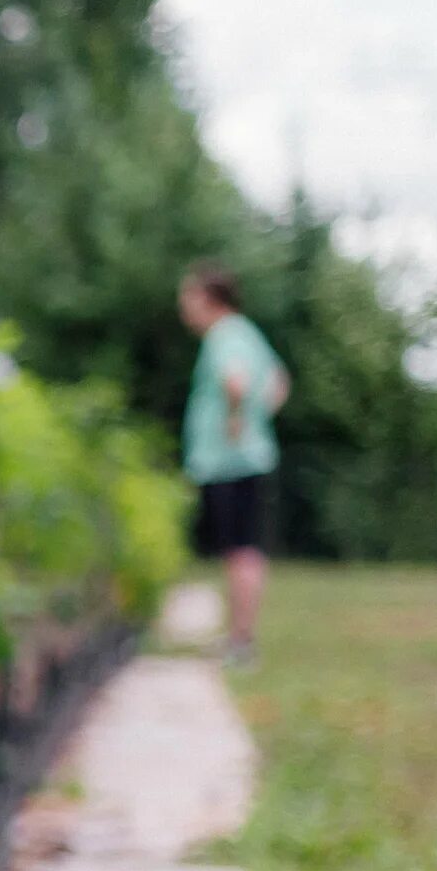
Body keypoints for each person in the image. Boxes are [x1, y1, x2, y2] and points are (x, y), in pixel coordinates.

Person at [178, 263, 290, 665]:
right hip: (250, 455)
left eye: (187, 297)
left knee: (238, 550)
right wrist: (258, 421)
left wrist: (236, 420)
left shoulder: (223, 335)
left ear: (209, 298)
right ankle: (241, 637)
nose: (184, 307)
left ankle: (241, 642)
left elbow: (236, 382)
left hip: (228, 460)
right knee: (247, 548)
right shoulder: (248, 333)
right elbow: (279, 382)